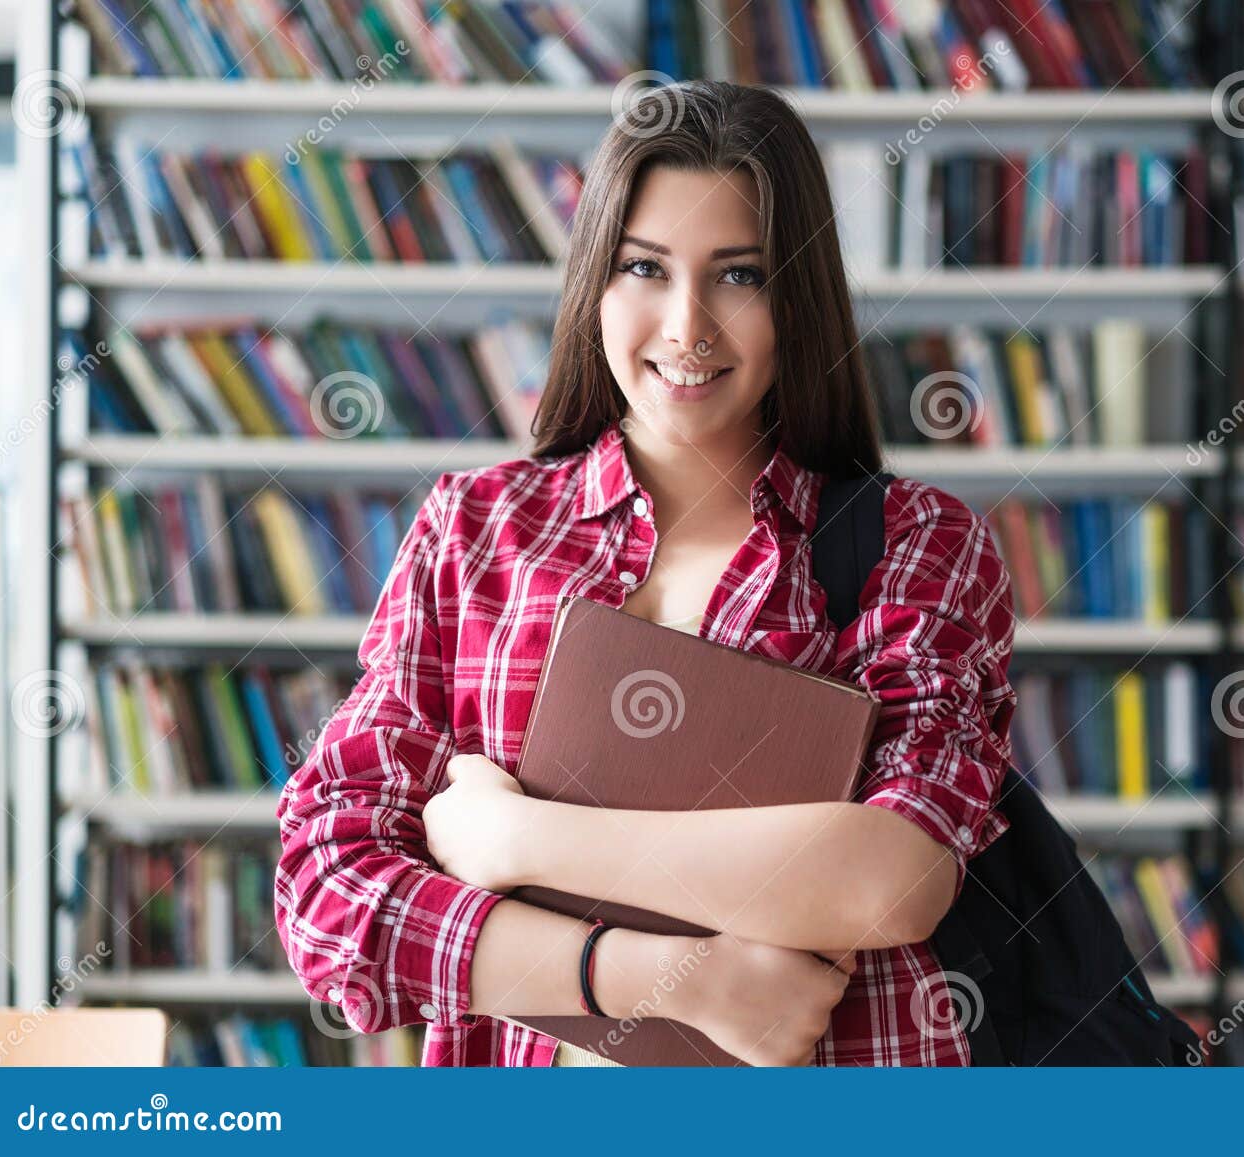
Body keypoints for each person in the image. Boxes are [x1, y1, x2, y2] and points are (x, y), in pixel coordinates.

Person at [274, 80, 1017, 1067]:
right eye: (645, 268)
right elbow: (329, 891)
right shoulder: (475, 529)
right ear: (595, 278)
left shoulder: (917, 540)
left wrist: (513, 838)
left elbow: (889, 878)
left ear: (797, 294)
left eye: (740, 275)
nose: (687, 326)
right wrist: (675, 980)